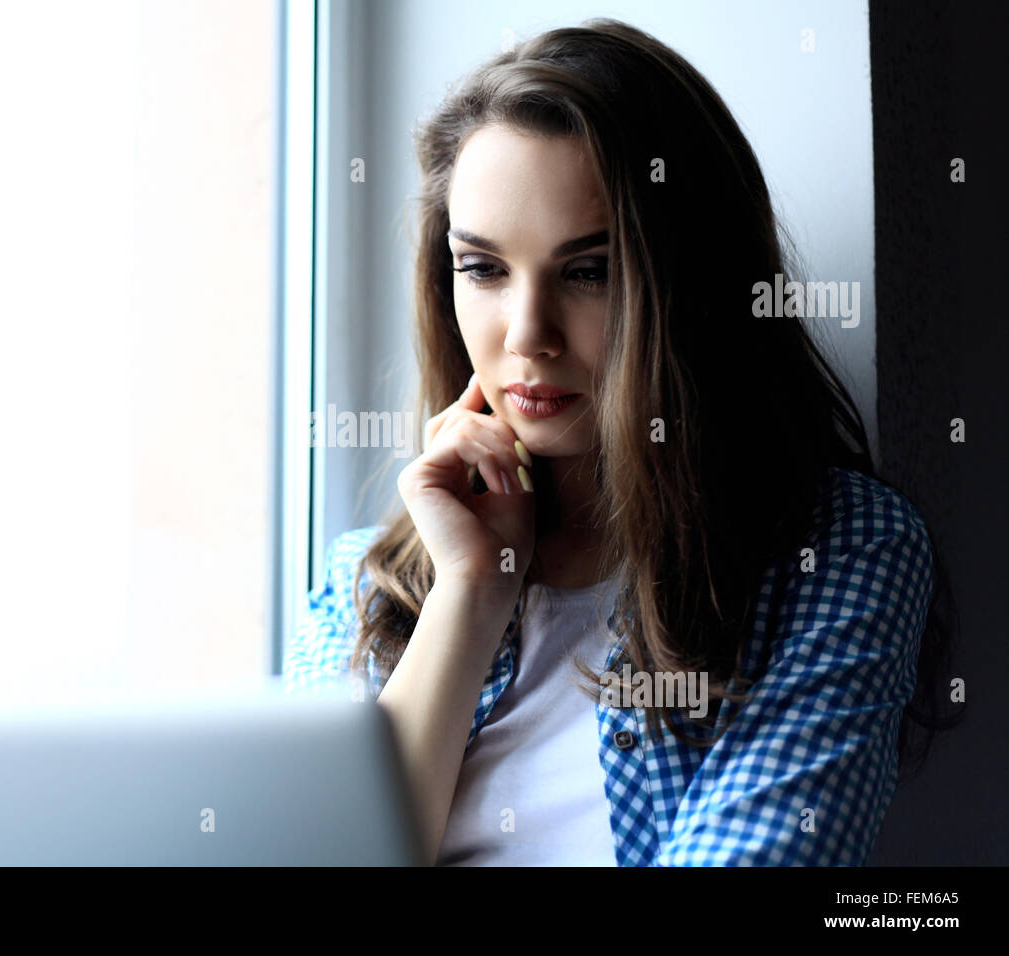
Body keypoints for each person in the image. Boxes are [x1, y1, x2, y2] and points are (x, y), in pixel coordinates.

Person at [285, 19, 960, 867]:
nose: (527, 334)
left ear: (692, 284)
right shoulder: (360, 590)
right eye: (484, 269)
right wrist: (467, 593)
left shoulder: (838, 551)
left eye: (589, 271)